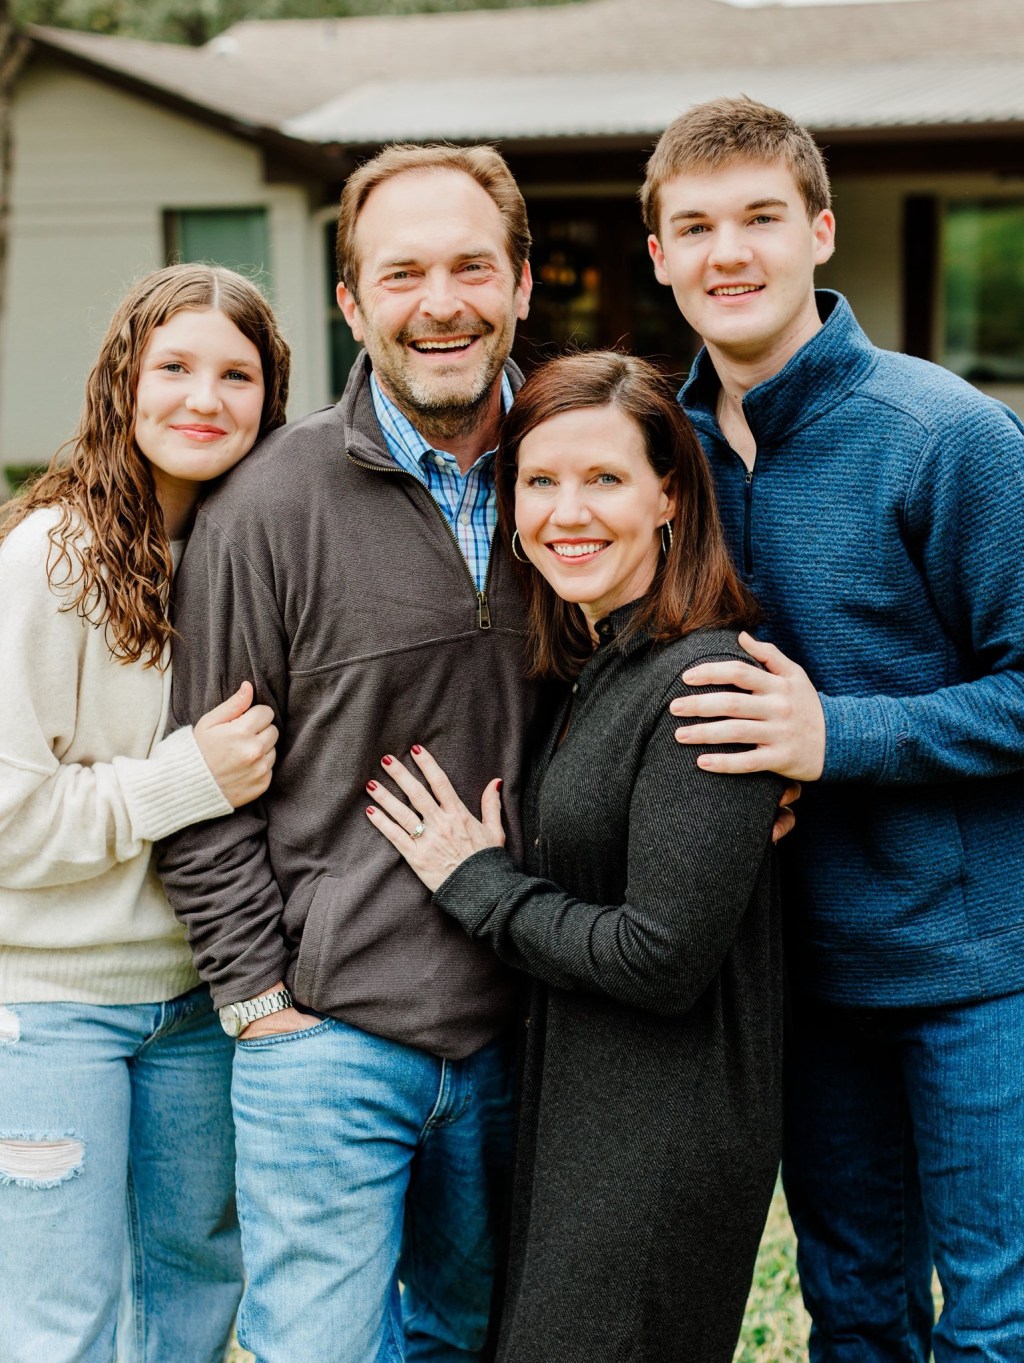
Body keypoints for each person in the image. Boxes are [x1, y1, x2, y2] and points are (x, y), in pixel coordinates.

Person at [642, 96, 1024, 1362]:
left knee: (994, 1320)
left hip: (972, 969)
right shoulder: (663, 453)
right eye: (693, 226)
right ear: (657, 255)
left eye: (758, 217)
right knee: (851, 1314)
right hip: (786, 973)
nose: (727, 253)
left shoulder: (947, 436)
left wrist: (834, 737)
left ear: (819, 232)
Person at [157, 144, 536, 1363]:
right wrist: (258, 993)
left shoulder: (588, 469)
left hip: (537, 1022)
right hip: (328, 1038)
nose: (441, 303)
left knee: (479, 1340)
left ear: (522, 283)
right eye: (403, 271)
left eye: (472, 266)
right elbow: (200, 776)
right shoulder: (266, 504)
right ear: (351, 303)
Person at [364, 350, 785, 1363]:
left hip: (660, 1148)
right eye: (539, 482)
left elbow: (660, 957)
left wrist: (479, 884)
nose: (567, 512)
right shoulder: (603, 667)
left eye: (603, 479)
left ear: (669, 495)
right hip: (585, 1130)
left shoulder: (703, 681)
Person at [0, 263, 289, 1363]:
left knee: (191, 1306)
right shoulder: (52, 558)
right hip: (50, 1010)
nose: (203, 398)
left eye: (237, 374)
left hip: (196, 1007)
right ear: (124, 382)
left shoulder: (247, 554)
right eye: (173, 367)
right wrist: (186, 777)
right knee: (57, 1327)